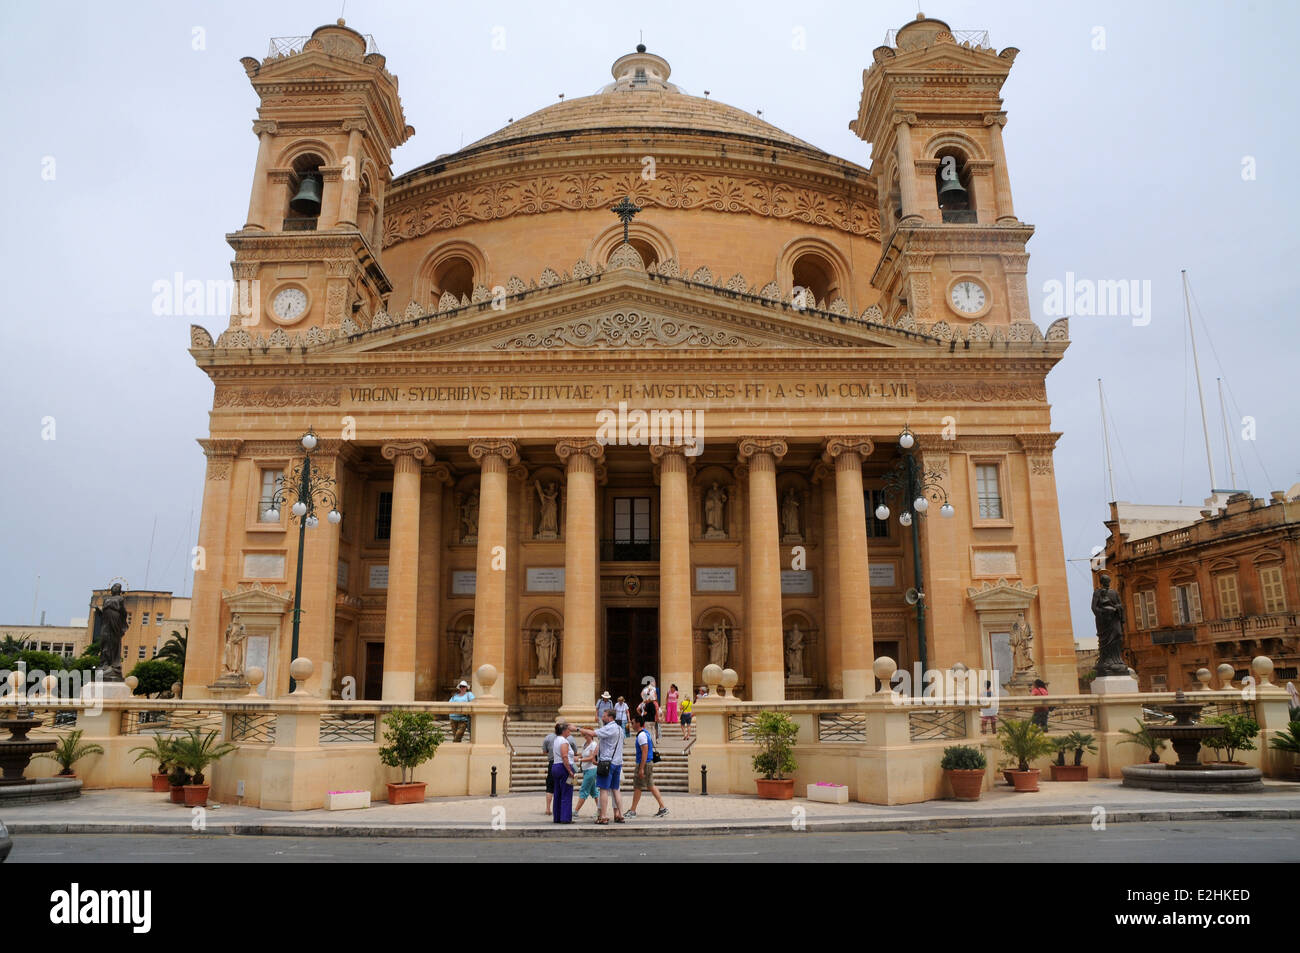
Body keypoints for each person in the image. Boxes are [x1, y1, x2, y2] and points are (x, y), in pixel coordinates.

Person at [627, 714, 668, 818]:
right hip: (648, 763)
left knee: (638, 786)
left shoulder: (641, 735)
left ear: (638, 723)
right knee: (650, 785)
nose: (631, 725)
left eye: (633, 723)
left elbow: (644, 752)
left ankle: (632, 810)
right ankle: (663, 807)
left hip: (644, 764)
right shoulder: (645, 733)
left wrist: (641, 768)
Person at [591, 708, 626, 824]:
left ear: (610, 717)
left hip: (607, 763)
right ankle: (621, 814)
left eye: (604, 715)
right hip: (617, 762)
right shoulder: (620, 729)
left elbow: (592, 733)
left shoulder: (609, 728)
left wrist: (576, 729)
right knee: (616, 789)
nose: (602, 717)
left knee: (604, 789)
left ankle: (604, 816)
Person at [550, 722, 576, 823]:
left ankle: (557, 817)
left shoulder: (556, 740)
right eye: (568, 730)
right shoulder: (564, 741)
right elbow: (565, 756)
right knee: (566, 793)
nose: (569, 731)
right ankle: (565, 818)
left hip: (556, 765)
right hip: (563, 767)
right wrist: (569, 770)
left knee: (557, 793)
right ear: (564, 731)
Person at [573, 727, 599, 817]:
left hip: (591, 769)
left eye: (586, 734)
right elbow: (584, 754)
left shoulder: (593, 744)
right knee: (594, 791)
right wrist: (576, 757)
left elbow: (591, 758)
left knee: (583, 790)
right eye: (584, 734)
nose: (584, 735)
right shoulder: (584, 744)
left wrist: (579, 759)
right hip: (586, 769)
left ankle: (576, 811)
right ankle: (600, 810)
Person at [541, 725, 557, 815]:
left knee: (550, 787)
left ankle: (548, 808)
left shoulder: (548, 738)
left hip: (552, 763)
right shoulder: (568, 738)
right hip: (563, 764)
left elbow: (544, 751)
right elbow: (574, 752)